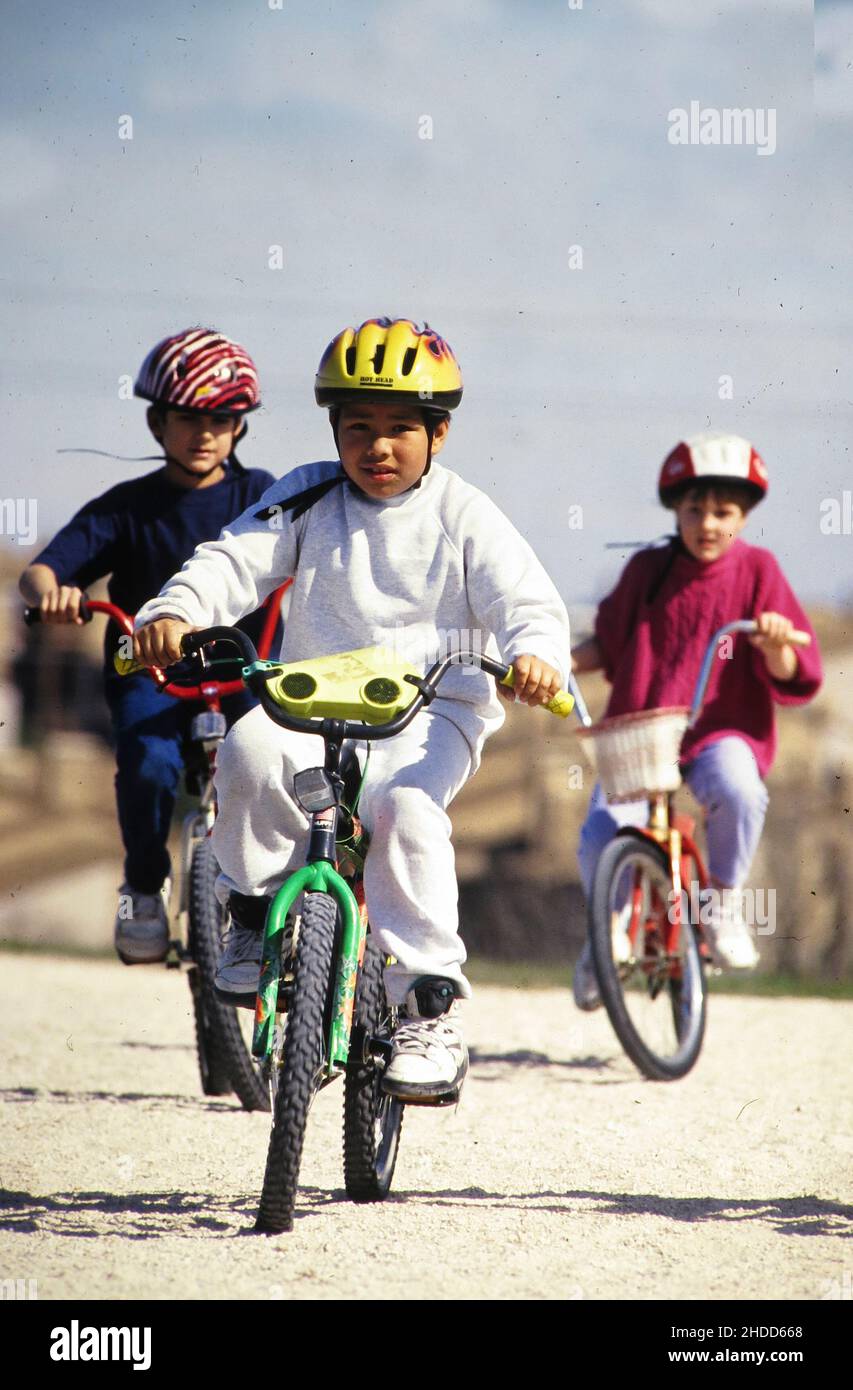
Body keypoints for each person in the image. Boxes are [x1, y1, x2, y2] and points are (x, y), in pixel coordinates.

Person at [133, 316, 570, 1105]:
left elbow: (526, 601)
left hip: (433, 710)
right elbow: (234, 558)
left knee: (404, 809)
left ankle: (426, 1007)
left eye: (401, 428)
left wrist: (536, 656)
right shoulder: (306, 493)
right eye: (356, 428)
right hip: (313, 698)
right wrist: (177, 609)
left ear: (438, 434)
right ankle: (248, 906)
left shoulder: (466, 514)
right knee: (249, 752)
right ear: (332, 430)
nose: (377, 447)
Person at [19, 328, 278, 965]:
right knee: (150, 766)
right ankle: (141, 886)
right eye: (189, 418)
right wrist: (51, 594)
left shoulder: (262, 496)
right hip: (149, 677)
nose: (206, 432)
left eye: (223, 418)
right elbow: (44, 570)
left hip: (243, 666)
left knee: (275, 763)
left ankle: (268, 899)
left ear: (240, 427)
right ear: (157, 422)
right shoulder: (125, 509)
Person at [570, 432, 823, 1010]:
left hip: (719, 731)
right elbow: (605, 646)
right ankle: (604, 939)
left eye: (723, 512)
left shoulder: (758, 570)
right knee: (600, 832)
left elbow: (792, 671)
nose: (708, 523)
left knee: (739, 790)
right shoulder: (648, 569)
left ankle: (722, 907)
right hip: (643, 728)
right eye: (694, 510)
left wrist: (775, 643)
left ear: (744, 515)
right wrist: (553, 664)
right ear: (675, 511)